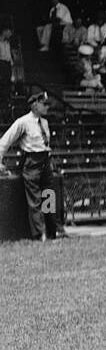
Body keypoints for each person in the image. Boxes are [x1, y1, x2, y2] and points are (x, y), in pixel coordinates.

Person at [0, 90, 66, 241]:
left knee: (48, 196)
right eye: (44, 104)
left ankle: (52, 232)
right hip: (32, 162)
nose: (47, 108)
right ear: (35, 104)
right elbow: (5, 141)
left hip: (45, 161)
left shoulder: (44, 122)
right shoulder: (23, 122)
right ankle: (40, 234)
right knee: (35, 199)